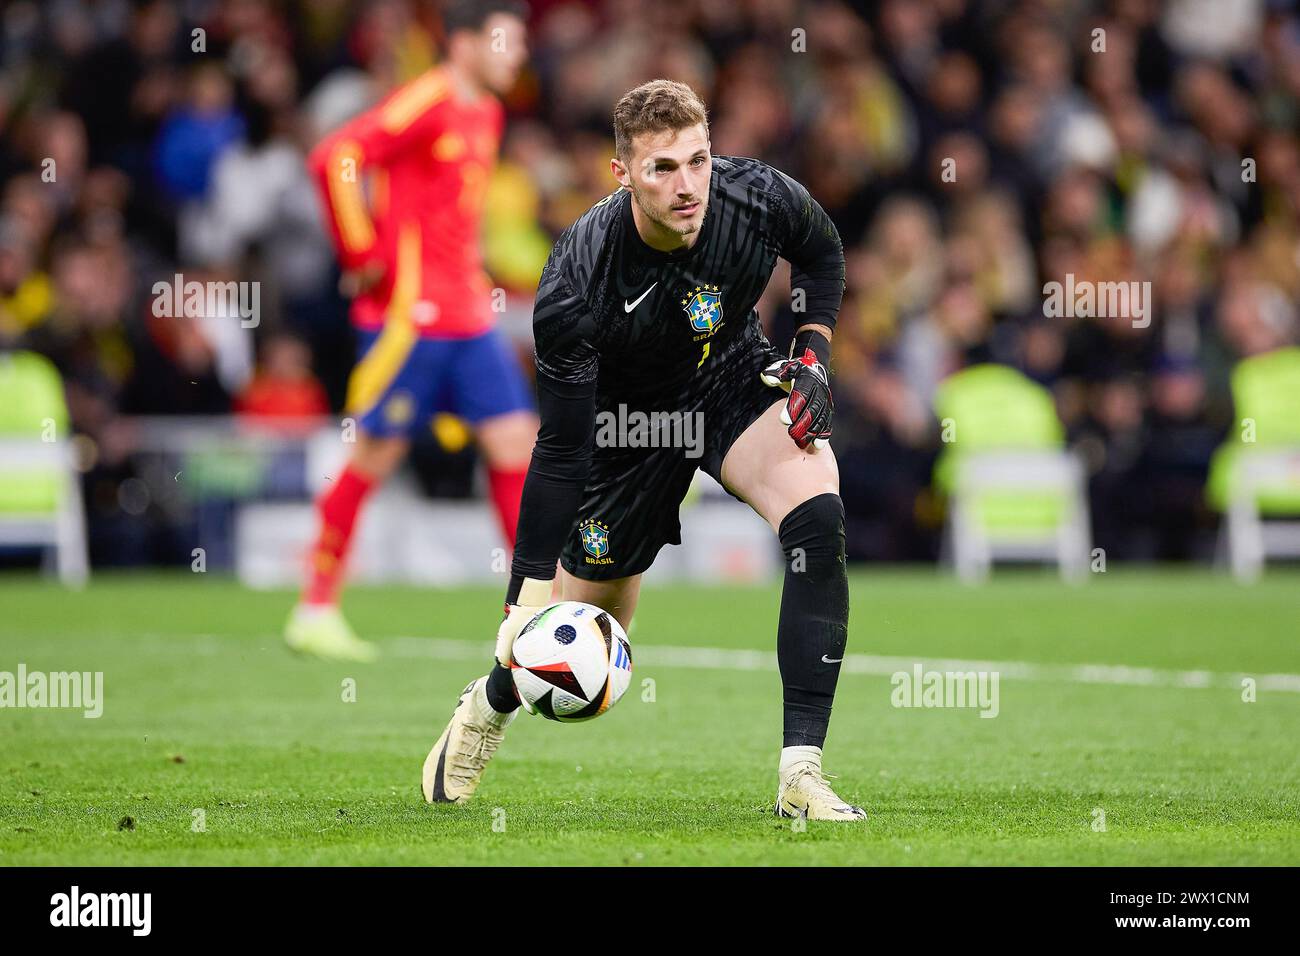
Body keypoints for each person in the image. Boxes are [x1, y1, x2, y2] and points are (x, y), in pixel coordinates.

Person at [422, 79, 864, 820]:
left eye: (698, 161)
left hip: (730, 383)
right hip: (627, 431)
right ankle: (488, 706)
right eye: (662, 168)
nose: (688, 185)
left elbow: (821, 253)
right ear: (621, 172)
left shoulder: (755, 195)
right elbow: (560, 448)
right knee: (584, 639)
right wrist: (522, 595)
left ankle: (801, 775)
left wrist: (812, 352)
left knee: (819, 516)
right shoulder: (577, 282)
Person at [288, 0, 536, 661]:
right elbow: (335, 156)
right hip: (410, 317)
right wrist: (360, 253)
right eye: (505, 42)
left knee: (515, 443)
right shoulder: (426, 98)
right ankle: (315, 608)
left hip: (468, 313)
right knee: (377, 454)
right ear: (462, 43)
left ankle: (528, 613)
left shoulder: (487, 109)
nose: (518, 55)